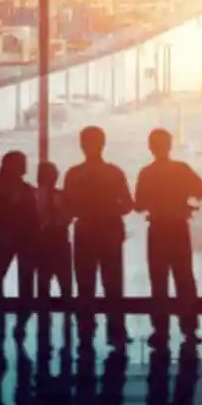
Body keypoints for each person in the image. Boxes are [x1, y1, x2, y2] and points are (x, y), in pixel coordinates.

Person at [135, 128, 202, 347]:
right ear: (170, 146)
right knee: (184, 278)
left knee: (158, 281)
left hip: (157, 229)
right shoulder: (181, 169)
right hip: (178, 228)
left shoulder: (146, 173)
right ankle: (189, 328)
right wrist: (184, 203)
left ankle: (160, 330)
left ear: (150, 147)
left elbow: (138, 205)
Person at [64, 126, 134, 347]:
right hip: (110, 230)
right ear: (103, 144)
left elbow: (68, 207)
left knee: (85, 283)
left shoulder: (74, 174)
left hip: (85, 231)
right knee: (113, 283)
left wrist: (86, 211)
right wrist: (109, 210)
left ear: (82, 145)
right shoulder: (114, 173)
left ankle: (86, 328)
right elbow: (128, 204)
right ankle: (116, 330)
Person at [0, 150, 39, 339]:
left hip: (6, 237)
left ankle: (0, 319)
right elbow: (34, 217)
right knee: (24, 281)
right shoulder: (28, 190)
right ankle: (20, 321)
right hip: (24, 239)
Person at [34, 161, 73, 304]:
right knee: (61, 282)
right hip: (56, 240)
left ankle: (45, 317)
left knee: (47, 282)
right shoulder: (61, 196)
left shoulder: (35, 195)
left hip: (50, 240)